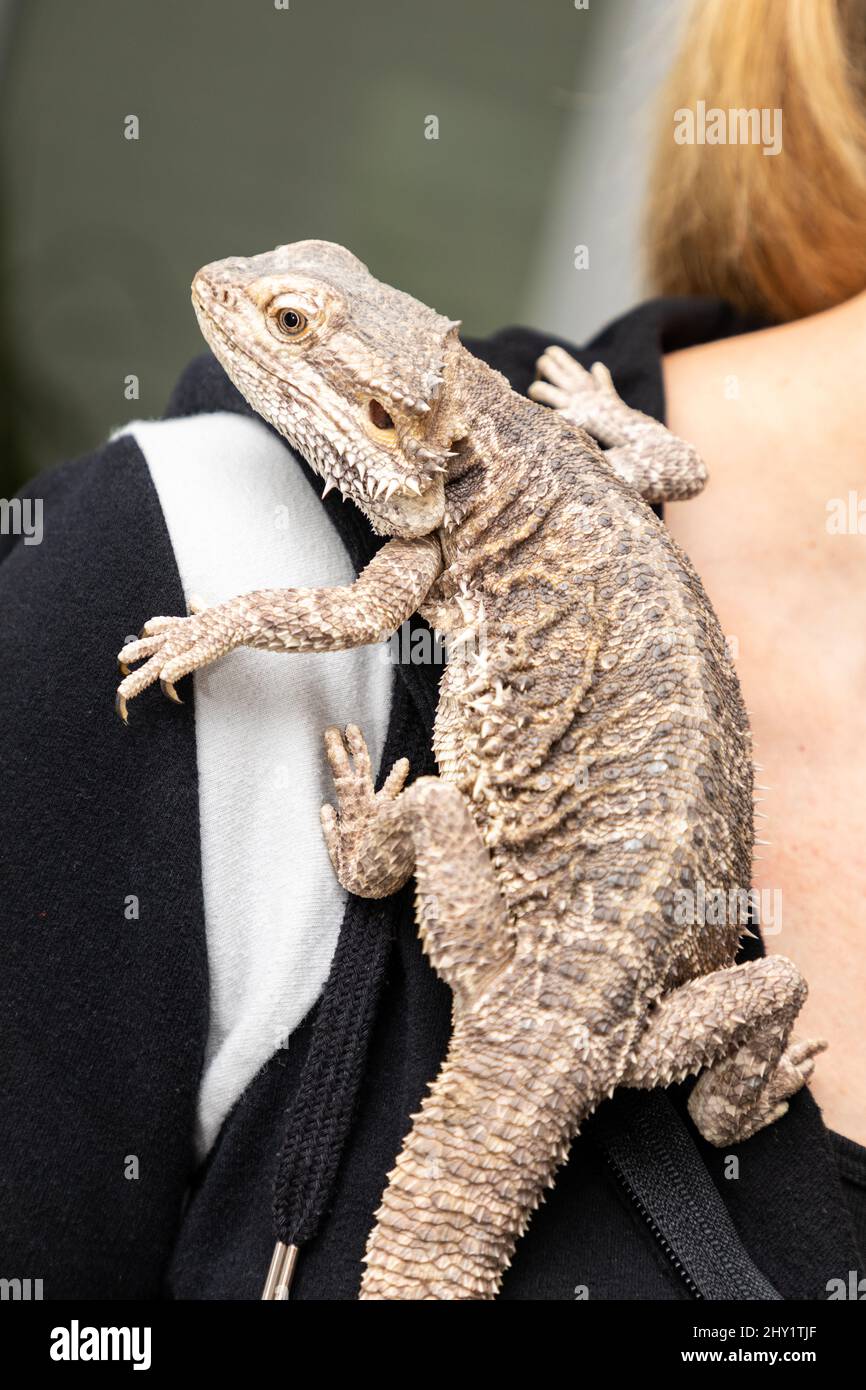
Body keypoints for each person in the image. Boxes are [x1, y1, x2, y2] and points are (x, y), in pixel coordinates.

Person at [0, 0, 861, 1298]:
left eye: (295, 326)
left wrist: (308, 755)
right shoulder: (154, 546)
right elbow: (662, 470)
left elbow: (363, 615)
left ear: (400, 418)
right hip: (624, 1037)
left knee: (471, 840)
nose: (245, 314)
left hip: (537, 986)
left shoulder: (482, 500)